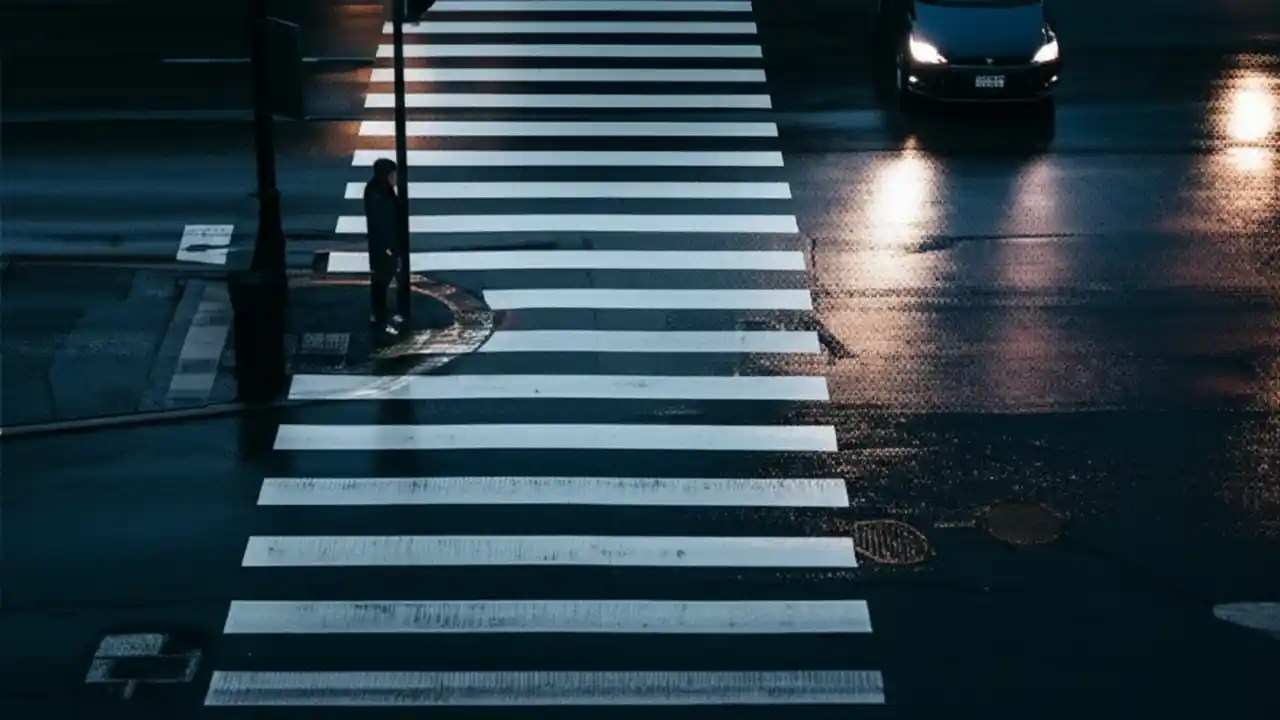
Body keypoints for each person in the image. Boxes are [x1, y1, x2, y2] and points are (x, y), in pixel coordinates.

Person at [363, 158, 402, 335]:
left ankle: (381, 315)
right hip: (383, 246)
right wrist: (390, 247)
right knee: (382, 281)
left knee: (384, 280)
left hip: (383, 245)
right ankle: (380, 319)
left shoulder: (380, 191)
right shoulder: (379, 195)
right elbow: (382, 223)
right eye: (392, 175)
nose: (395, 178)